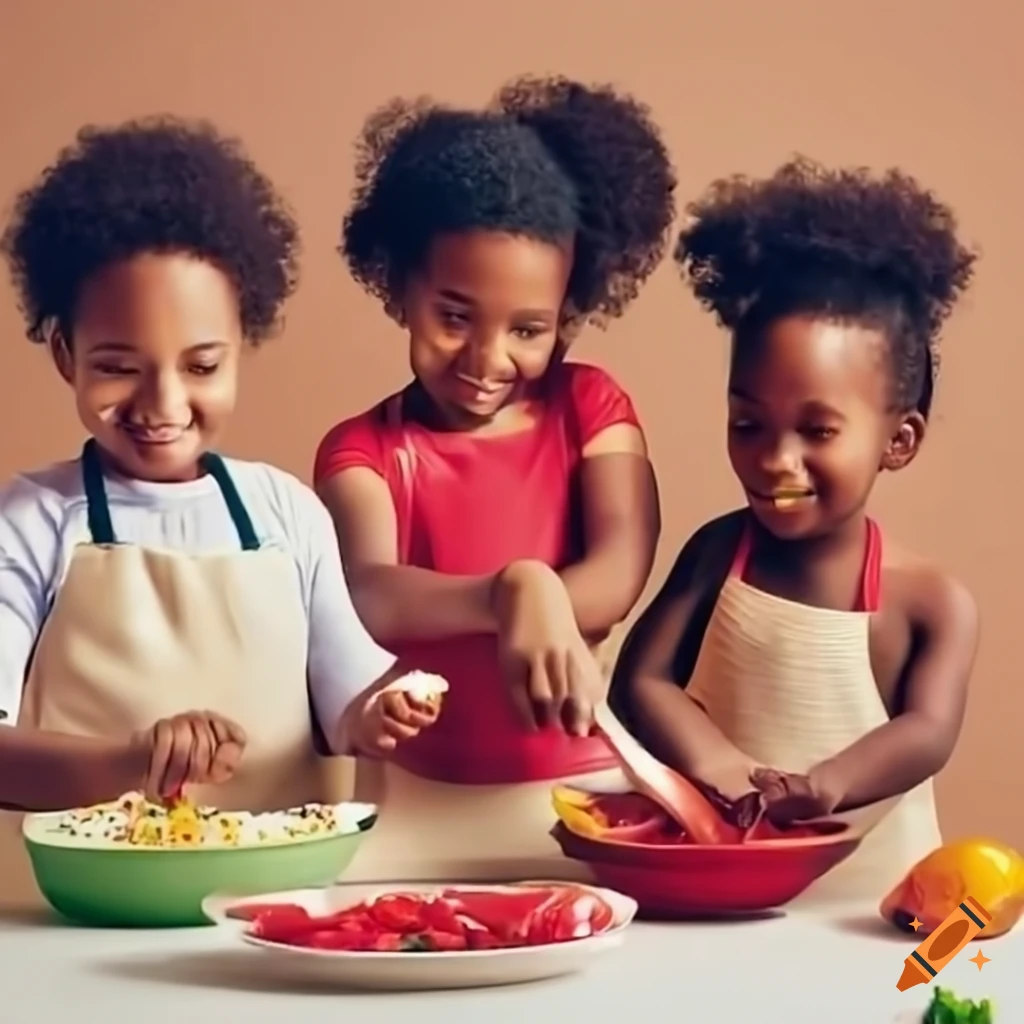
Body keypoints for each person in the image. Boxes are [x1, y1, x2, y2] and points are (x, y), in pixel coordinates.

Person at [0, 117, 435, 910]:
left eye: (202, 365)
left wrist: (385, 709)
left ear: (242, 342)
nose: (163, 403)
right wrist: (134, 763)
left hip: (277, 905)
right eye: (117, 366)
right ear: (64, 352)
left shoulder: (287, 512)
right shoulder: (32, 519)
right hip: (97, 910)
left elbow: (345, 700)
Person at [314, 75, 675, 880]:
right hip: (409, 812)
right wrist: (510, 591)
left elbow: (619, 570)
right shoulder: (362, 451)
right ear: (399, 283)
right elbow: (368, 591)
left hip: (588, 799)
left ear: (569, 314)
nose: (486, 361)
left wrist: (536, 591)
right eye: (454, 315)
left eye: (527, 329)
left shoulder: (591, 406)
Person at [608, 156, 979, 901]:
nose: (776, 459)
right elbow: (640, 682)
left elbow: (928, 730)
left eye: (817, 429)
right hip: (725, 890)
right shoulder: (721, 553)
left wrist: (827, 784)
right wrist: (717, 765)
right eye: (748, 422)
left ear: (897, 441)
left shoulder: (933, 603)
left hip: (879, 904)